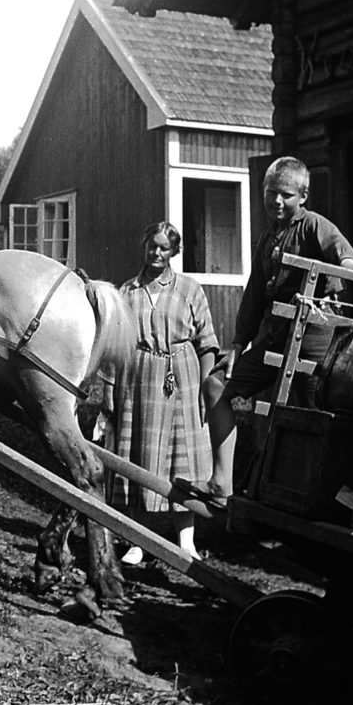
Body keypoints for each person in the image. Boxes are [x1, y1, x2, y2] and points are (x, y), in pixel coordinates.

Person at [202, 156, 353, 503]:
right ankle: (221, 482)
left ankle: (328, 500)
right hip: (276, 339)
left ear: (303, 196)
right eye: (271, 192)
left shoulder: (313, 225)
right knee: (216, 385)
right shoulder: (267, 238)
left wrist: (350, 267)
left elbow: (342, 253)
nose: (277, 201)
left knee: (313, 418)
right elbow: (253, 296)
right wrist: (238, 346)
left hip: (314, 341)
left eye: (286, 195)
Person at [103, 221, 218, 564]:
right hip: (137, 379)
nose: (156, 253)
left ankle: (186, 541)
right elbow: (113, 344)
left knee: (183, 458)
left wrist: (205, 389)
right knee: (139, 455)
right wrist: (108, 391)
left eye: (164, 248)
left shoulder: (189, 289)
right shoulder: (128, 291)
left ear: (174, 252)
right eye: (152, 246)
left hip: (182, 377)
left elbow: (207, 343)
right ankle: (138, 541)